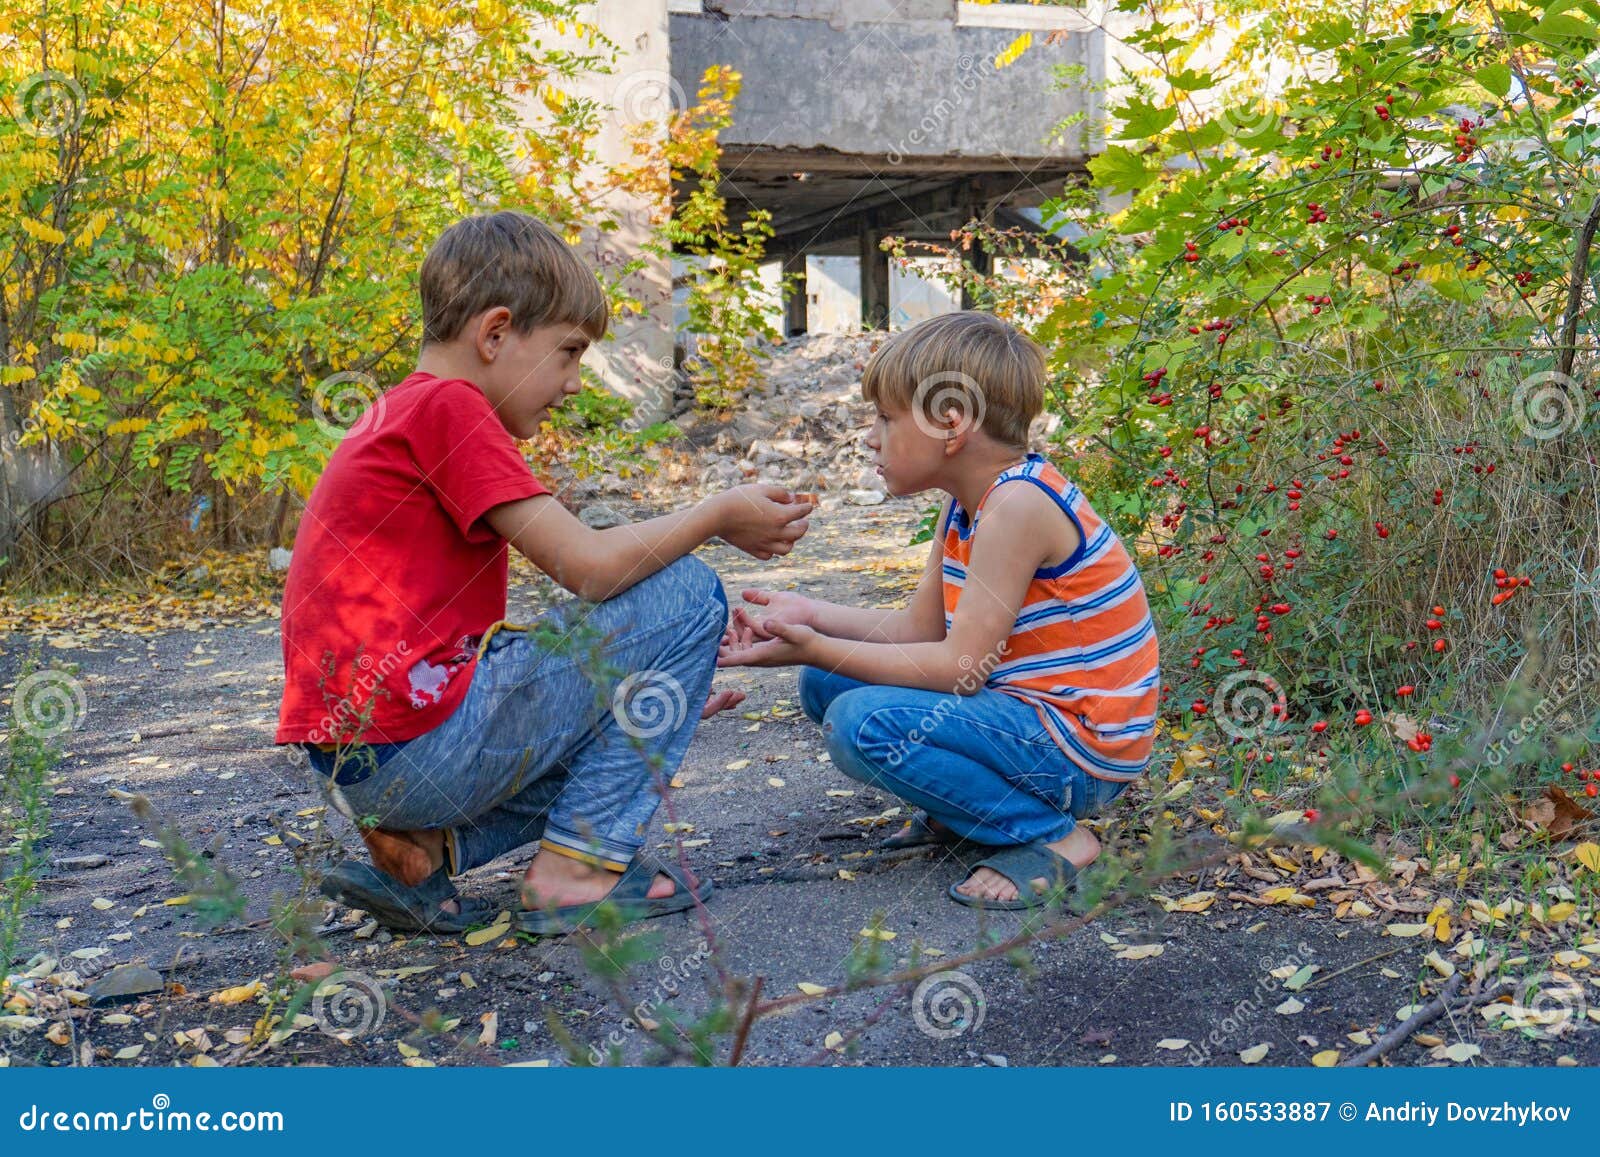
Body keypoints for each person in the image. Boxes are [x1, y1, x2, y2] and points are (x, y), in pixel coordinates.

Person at [275, 211, 812, 934]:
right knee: (688, 592)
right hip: (420, 745)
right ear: (495, 334)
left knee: (631, 707)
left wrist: (646, 708)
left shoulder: (400, 413)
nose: (572, 384)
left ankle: (423, 853)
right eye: (568, 353)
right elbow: (587, 567)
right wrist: (715, 514)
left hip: (363, 766)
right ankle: (576, 873)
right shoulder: (451, 409)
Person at [718, 311, 1159, 909]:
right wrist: (808, 618)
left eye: (886, 418)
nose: (871, 437)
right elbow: (916, 631)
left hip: (1077, 751)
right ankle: (966, 814)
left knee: (860, 723)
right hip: (1025, 722)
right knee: (824, 682)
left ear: (951, 424)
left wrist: (815, 641)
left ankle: (1055, 836)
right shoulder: (967, 506)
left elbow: (958, 669)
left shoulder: (1018, 507)